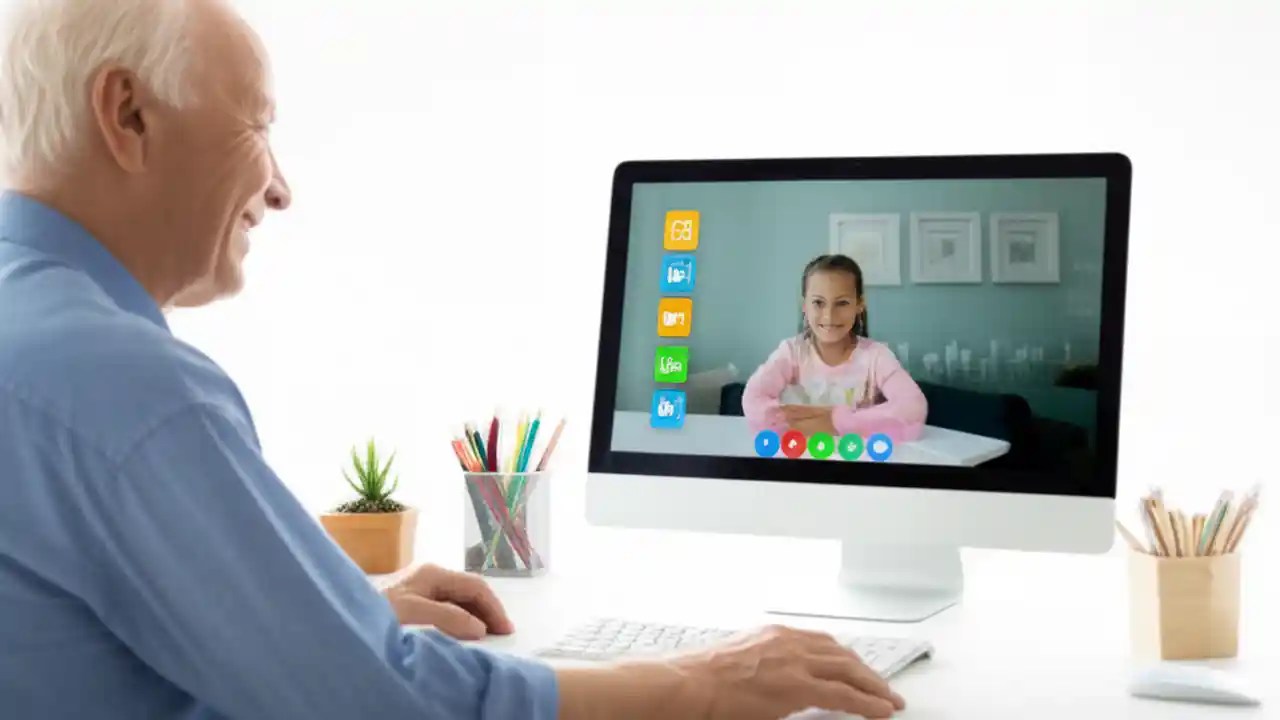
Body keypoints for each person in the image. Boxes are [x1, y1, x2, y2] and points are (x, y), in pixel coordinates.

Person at [0, 1, 906, 718]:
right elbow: (389, 706)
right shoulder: (125, 384)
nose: (279, 186)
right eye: (257, 126)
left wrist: (310, 613)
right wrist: (708, 685)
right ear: (127, 114)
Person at [743, 254, 928, 442]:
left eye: (842, 303)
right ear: (804, 305)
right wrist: (789, 421)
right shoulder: (791, 352)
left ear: (859, 305)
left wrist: (836, 422)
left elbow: (913, 407)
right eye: (818, 303)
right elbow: (753, 399)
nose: (829, 316)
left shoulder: (877, 356)